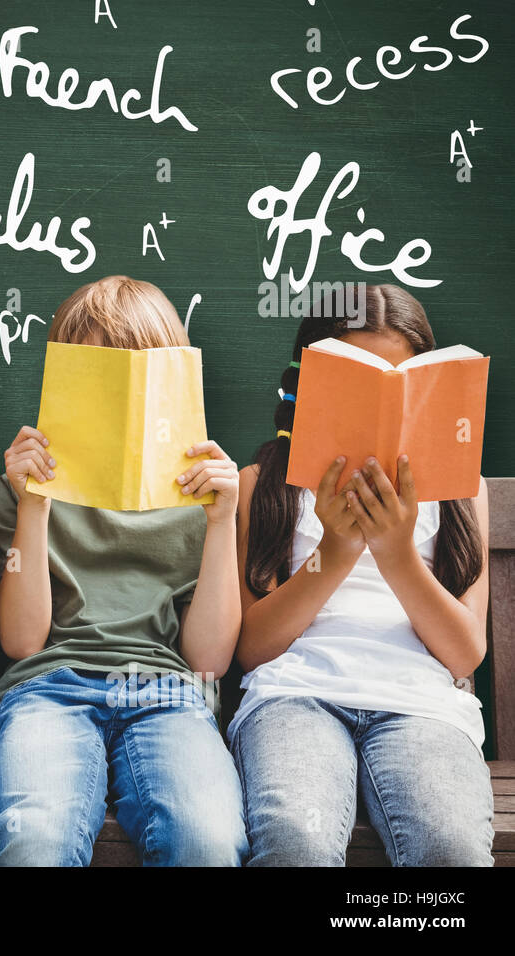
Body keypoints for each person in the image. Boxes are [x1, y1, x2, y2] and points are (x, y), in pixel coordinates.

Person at [0, 275, 248, 866]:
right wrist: (31, 506)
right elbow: (22, 642)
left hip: (170, 691)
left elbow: (208, 661)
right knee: (34, 841)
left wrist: (223, 523)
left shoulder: (201, 488)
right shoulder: (31, 481)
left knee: (206, 842)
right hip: (49, 688)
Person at [230, 282, 493, 866]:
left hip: (422, 704)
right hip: (296, 695)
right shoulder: (264, 485)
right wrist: (338, 549)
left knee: (449, 848)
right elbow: (253, 648)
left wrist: (397, 553)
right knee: (295, 839)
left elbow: (463, 653)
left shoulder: (458, 491)